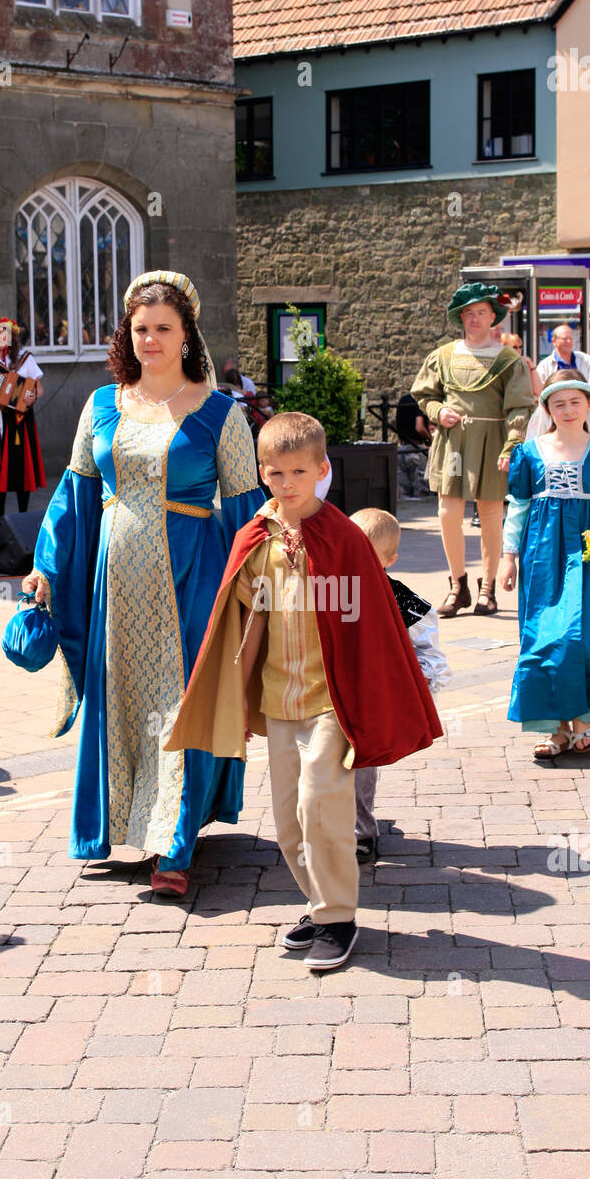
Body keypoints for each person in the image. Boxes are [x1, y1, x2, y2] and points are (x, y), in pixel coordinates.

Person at [165, 412, 443, 971]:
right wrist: (237, 699)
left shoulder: (343, 538)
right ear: (262, 473)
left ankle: (338, 917)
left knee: (323, 805)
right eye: (276, 473)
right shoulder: (257, 535)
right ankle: (318, 905)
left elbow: (372, 628)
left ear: (322, 470)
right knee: (290, 820)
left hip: (330, 701)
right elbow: (239, 617)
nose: (287, 483)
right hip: (278, 699)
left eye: (299, 471)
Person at [21, 269, 265, 898]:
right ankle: (118, 823)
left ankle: (175, 846)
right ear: (127, 336)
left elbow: (244, 507)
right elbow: (73, 496)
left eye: (163, 329)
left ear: (186, 337)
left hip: (192, 575)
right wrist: (46, 564)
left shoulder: (220, 414)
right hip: (114, 580)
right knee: (122, 697)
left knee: (180, 703)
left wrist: (264, 582)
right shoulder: (101, 405)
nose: (151, 340)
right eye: (141, 329)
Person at [500, 371, 590, 759]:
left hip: (589, 557)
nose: (568, 410)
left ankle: (582, 717)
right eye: (559, 403)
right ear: (547, 409)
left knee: (580, 636)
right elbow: (518, 509)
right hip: (541, 557)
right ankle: (554, 726)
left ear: (589, 404)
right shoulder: (529, 453)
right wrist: (508, 556)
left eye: (576, 401)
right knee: (543, 637)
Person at [411, 281, 536, 618]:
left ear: (492, 316)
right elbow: (424, 395)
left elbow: (520, 407)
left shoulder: (508, 359)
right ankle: (458, 585)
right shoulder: (444, 355)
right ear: (461, 317)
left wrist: (512, 443)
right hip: (453, 441)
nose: (475, 318)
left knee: (492, 515)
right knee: (447, 514)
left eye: (481, 312)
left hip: (492, 439)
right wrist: (438, 412)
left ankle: (488, 588)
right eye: (469, 313)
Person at [348, 507, 451, 863]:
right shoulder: (327, 591)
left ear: (390, 560)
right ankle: (325, 825)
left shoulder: (405, 603)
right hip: (331, 694)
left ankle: (362, 830)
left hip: (373, 698)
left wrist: (418, 686)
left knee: (361, 763)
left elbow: (430, 653)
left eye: (368, 558)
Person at [0, 317, 46, 518]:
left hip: (20, 420)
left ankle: (23, 515)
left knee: (21, 466)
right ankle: (0, 516)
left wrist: (31, 397)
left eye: (1, 333)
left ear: (10, 337)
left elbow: (38, 389)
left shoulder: (24, 358)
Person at [395, 392, 433, 499]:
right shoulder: (421, 401)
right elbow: (419, 427)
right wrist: (430, 439)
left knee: (405, 492)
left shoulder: (403, 399)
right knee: (422, 492)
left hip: (402, 448)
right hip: (416, 447)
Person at [502, 331, 543, 399]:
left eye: (520, 347)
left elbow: (539, 392)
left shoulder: (525, 364)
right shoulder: (500, 367)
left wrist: (532, 367)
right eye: (514, 347)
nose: (519, 350)